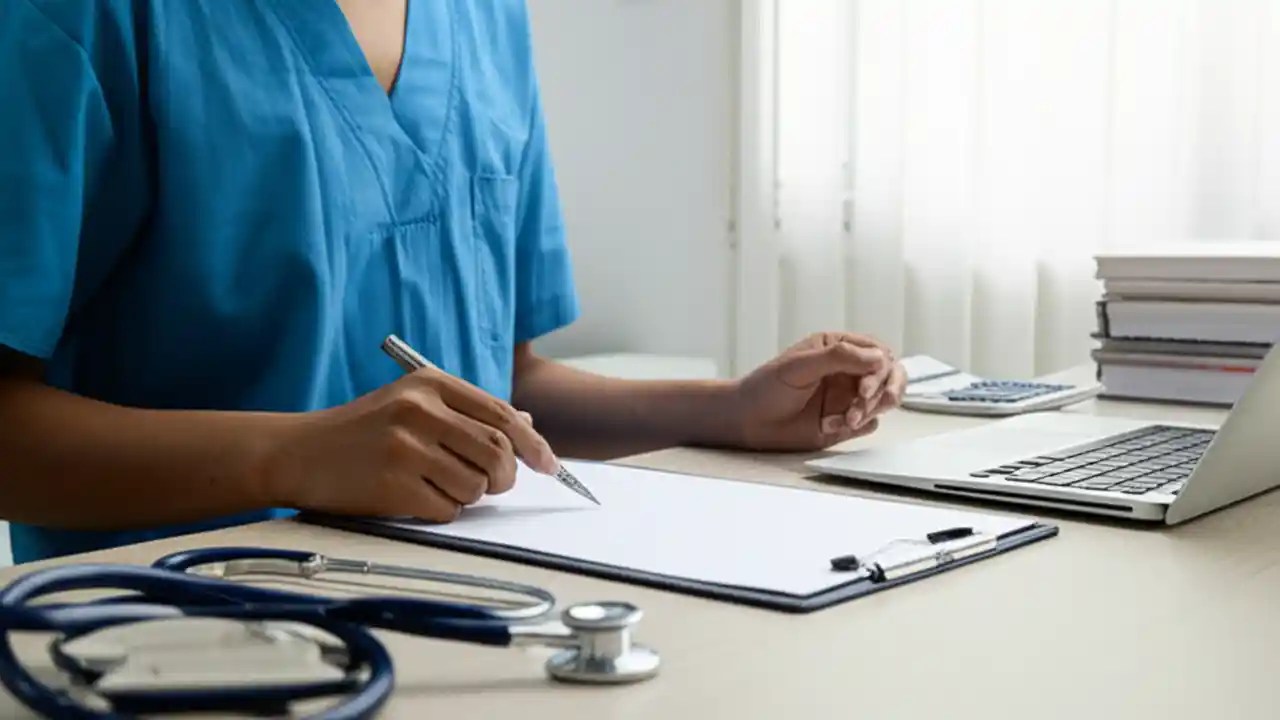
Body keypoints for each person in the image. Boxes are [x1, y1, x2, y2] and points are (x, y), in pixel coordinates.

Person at [0, 0, 906, 564]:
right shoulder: (75, 17)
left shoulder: (484, 15)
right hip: (166, 645)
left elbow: (504, 388)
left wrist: (726, 413)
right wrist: (294, 455)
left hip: (472, 617)